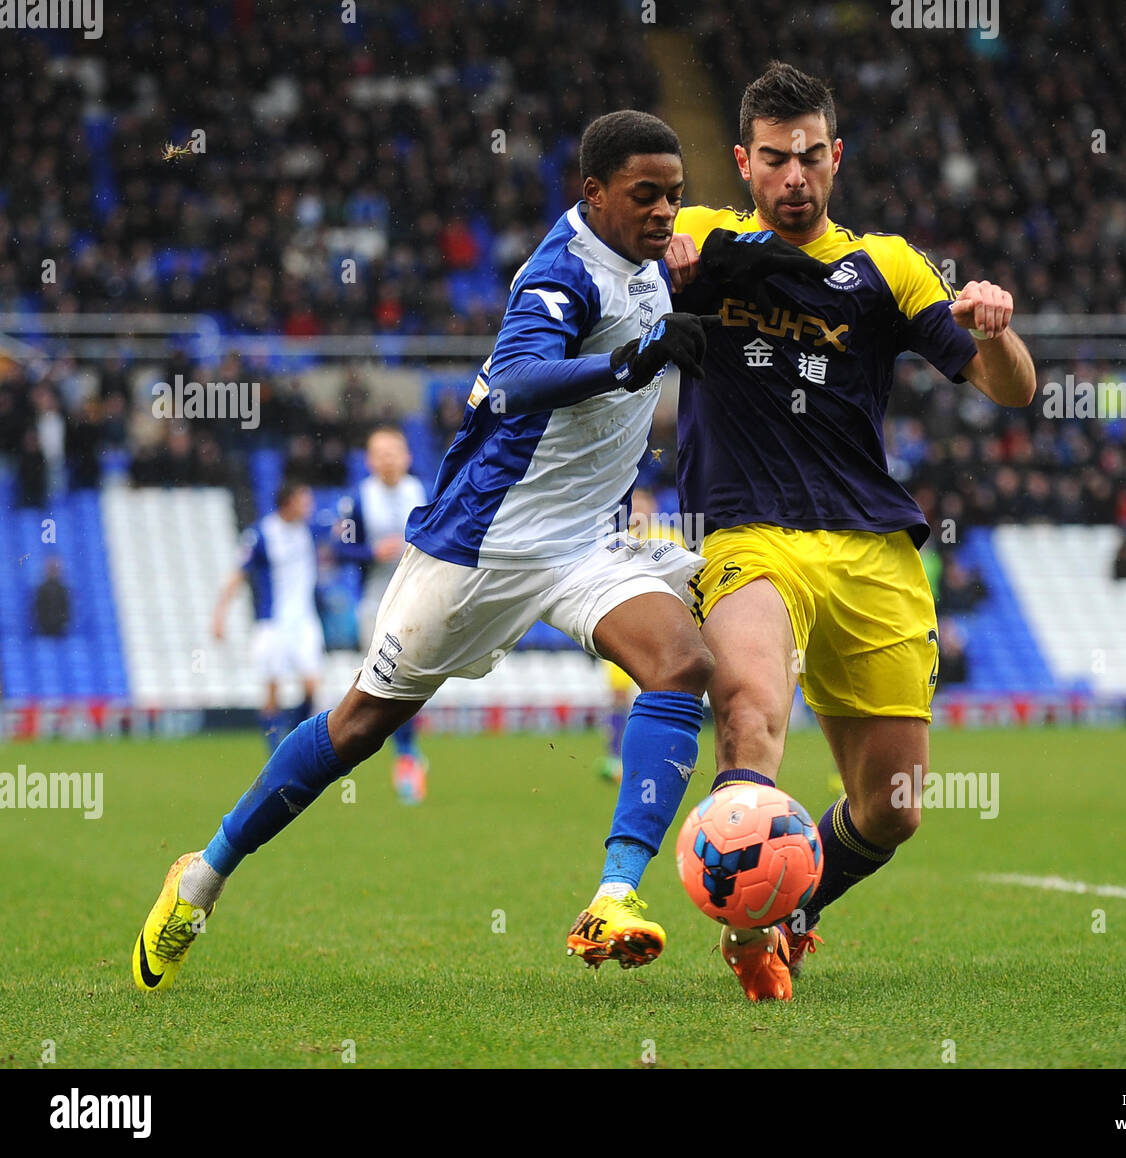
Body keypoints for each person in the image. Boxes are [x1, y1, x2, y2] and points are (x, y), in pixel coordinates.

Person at [133, 110, 719, 992]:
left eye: (675, 196)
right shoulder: (560, 274)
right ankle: (203, 875)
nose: (666, 213)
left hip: (586, 544)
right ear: (592, 194)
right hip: (482, 542)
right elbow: (518, 380)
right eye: (647, 197)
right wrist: (632, 362)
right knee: (360, 726)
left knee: (680, 665)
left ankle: (614, 895)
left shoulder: (658, 255)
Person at [667, 62, 1037, 1000]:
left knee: (895, 809)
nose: (795, 177)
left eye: (811, 157)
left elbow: (1013, 390)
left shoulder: (890, 266)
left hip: (869, 545)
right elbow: (644, 256)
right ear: (744, 162)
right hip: (748, 532)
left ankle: (792, 905)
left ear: (836, 157)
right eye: (776, 159)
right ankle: (746, 921)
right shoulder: (704, 239)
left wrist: (992, 328)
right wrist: (658, 261)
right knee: (749, 715)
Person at [333, 426, 430, 803]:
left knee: (410, 682)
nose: (388, 458)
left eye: (395, 450)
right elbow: (339, 548)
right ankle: (404, 755)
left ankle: (406, 756)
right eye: (380, 452)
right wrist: (372, 553)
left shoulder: (424, 492)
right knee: (380, 684)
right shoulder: (358, 499)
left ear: (406, 455)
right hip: (376, 604)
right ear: (370, 460)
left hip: (420, 602)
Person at [212, 481, 324, 755]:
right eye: (304, 500)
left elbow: (341, 539)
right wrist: (219, 614)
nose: (309, 506)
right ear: (288, 503)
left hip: (305, 622)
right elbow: (239, 573)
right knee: (273, 690)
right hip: (273, 624)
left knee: (312, 686)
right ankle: (274, 750)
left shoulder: (310, 529)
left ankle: (294, 741)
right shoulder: (262, 534)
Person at [33, 557, 72, 637]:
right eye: (51, 569)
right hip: (44, 630)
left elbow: (66, 609)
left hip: (60, 630)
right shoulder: (42, 589)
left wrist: (61, 623)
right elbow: (38, 608)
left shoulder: (62, 589)